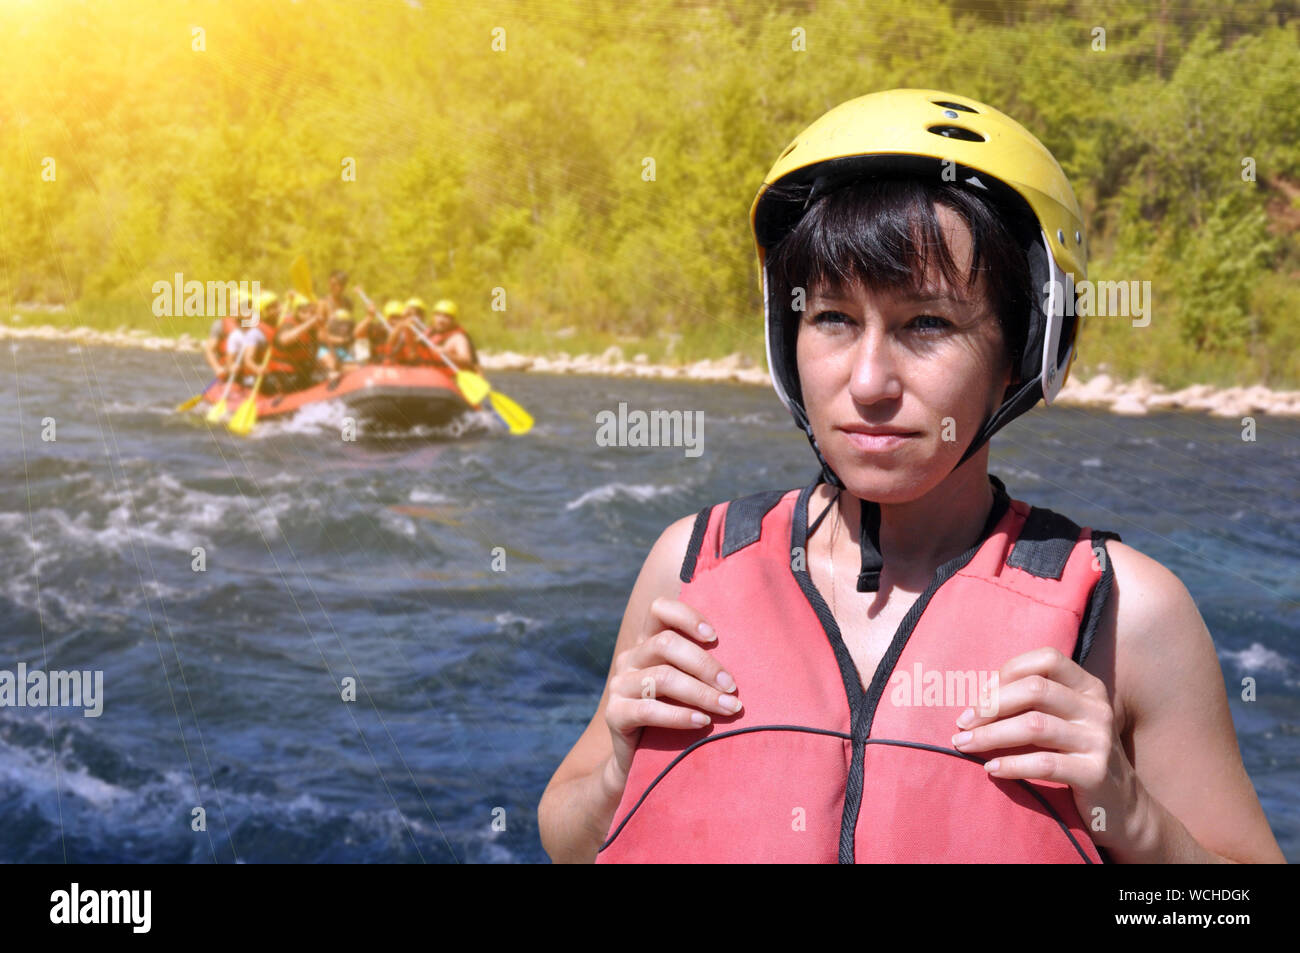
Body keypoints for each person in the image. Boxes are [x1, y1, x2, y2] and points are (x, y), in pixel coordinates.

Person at [538, 89, 1285, 864]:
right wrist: (620, 769)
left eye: (926, 325)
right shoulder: (686, 565)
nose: (868, 382)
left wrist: (1134, 818)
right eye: (831, 318)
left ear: (1021, 356)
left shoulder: (1133, 616)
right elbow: (567, 836)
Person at [263, 292, 322, 394]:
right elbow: (284, 340)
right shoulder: (288, 325)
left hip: (301, 370)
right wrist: (310, 323)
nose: (308, 315)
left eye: (310, 312)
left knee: (320, 376)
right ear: (296, 312)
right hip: (284, 374)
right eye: (304, 312)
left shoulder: (312, 328)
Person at [317, 307, 356, 382]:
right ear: (334, 325)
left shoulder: (349, 336)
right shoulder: (325, 331)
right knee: (331, 363)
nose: (345, 327)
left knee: (355, 368)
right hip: (325, 352)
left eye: (346, 324)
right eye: (340, 324)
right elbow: (322, 337)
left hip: (340, 353)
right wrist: (342, 340)